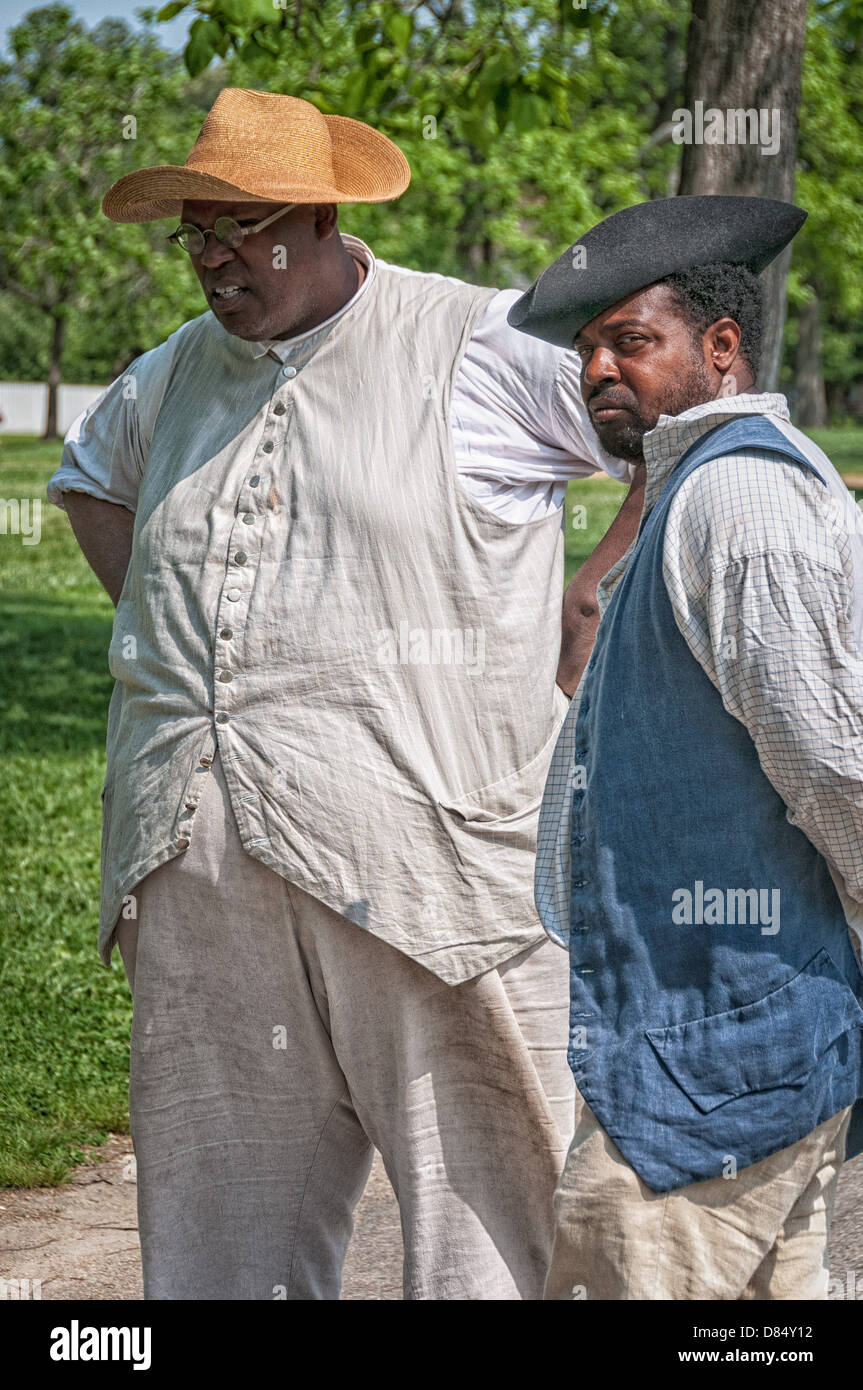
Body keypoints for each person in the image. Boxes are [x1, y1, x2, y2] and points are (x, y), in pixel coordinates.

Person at [47, 87, 643, 1300]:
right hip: (200, 870)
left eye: (243, 228)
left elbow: (674, 435)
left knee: (493, 1235)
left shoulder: (483, 343)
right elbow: (87, 482)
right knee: (220, 1245)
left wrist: (590, 604)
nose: (215, 260)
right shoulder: (172, 373)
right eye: (195, 234)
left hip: (435, 867)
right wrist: (176, 642)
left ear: (319, 214)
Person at [509, 194, 863, 1300]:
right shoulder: (691, 490)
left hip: (713, 1054)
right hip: (709, 1036)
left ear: (719, 349)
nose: (599, 370)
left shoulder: (738, 499)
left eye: (630, 340)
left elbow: (828, 759)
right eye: (587, 349)